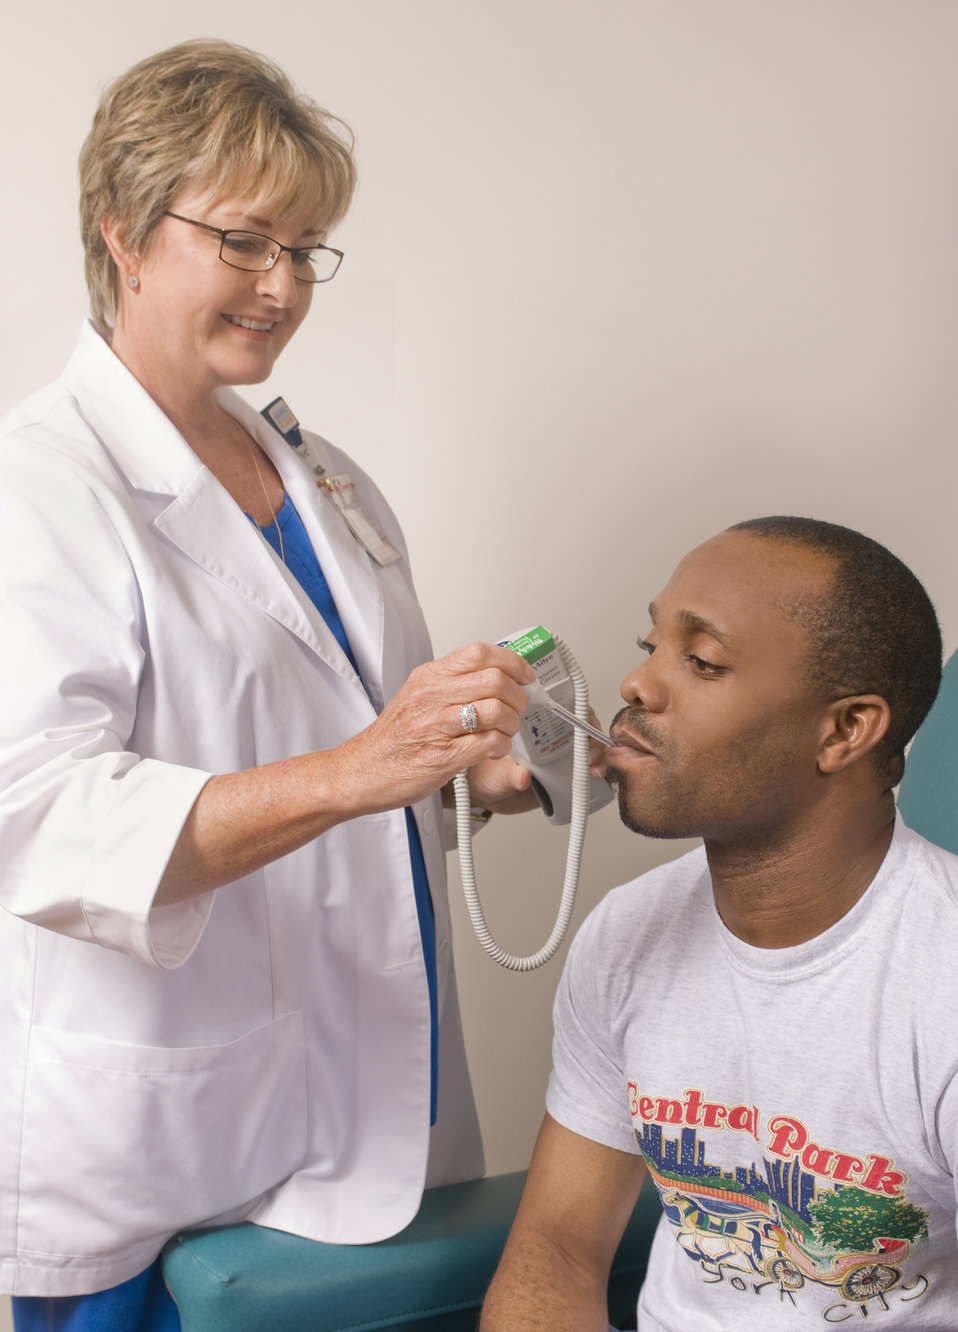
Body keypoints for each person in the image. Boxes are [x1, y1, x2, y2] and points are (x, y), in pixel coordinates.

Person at [0, 39, 540, 1329]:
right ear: (124, 232)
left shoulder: (320, 473)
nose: (283, 285)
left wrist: (463, 775)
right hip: (162, 1118)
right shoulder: (39, 486)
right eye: (245, 242)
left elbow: (338, 757)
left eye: (304, 249)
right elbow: (39, 820)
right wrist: (365, 766)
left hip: (364, 1070)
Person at [480, 516, 958, 1331]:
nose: (637, 683)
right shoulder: (628, 932)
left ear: (845, 730)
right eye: (652, 643)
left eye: (701, 661)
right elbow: (558, 1249)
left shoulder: (939, 984)